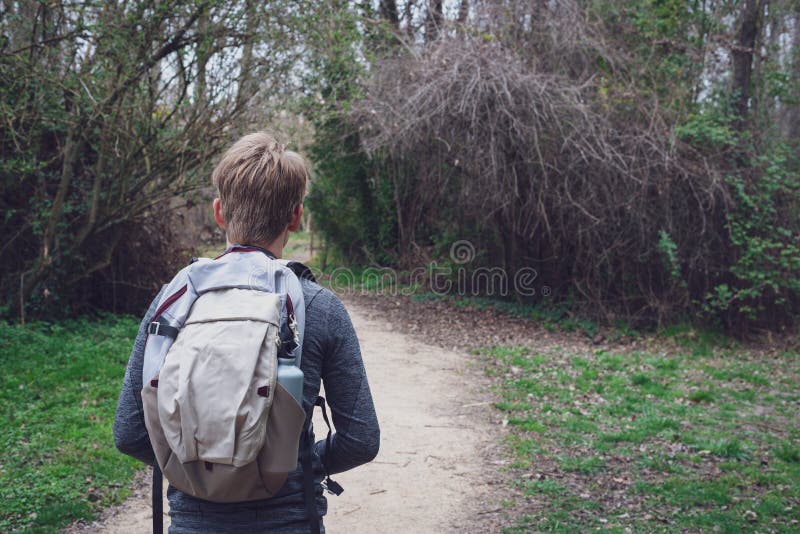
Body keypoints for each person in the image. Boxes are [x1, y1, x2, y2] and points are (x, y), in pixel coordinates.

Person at [113, 131, 380, 533]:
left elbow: (130, 433)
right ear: (296, 216)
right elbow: (360, 439)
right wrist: (292, 459)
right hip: (291, 521)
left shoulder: (174, 303)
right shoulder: (319, 306)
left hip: (194, 523)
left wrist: (203, 463)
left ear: (219, 212)